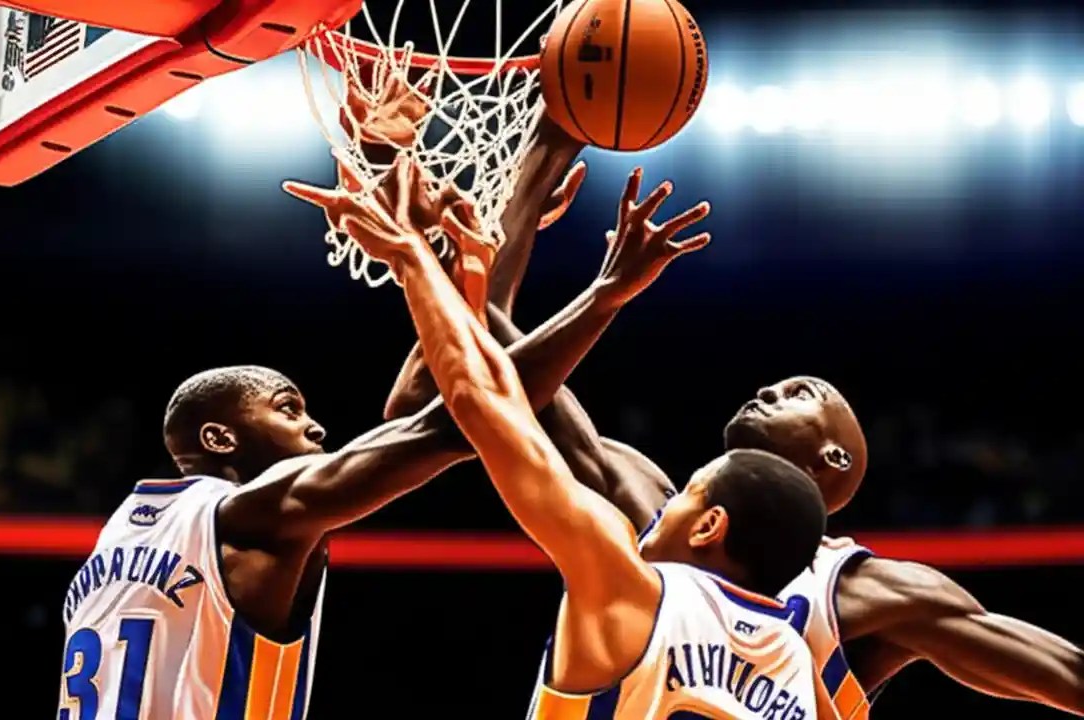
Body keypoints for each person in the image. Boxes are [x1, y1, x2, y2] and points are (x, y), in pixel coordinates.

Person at [376, 130, 1084, 716]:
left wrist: (443, 238)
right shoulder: (653, 505)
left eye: (800, 392)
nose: (768, 388)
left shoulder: (865, 592)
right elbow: (442, 395)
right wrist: (542, 160)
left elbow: (1063, 672)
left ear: (834, 460)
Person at [54, 135, 713, 720]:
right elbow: (464, 415)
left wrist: (477, 245)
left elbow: (457, 381)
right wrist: (598, 290)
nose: (316, 428)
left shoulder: (120, 533)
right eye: (288, 409)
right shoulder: (250, 518)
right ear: (220, 439)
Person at [288, 156, 833, 718]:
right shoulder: (797, 665)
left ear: (709, 526)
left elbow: (482, 401)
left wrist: (413, 255)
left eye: (684, 495)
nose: (662, 506)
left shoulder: (628, 585)